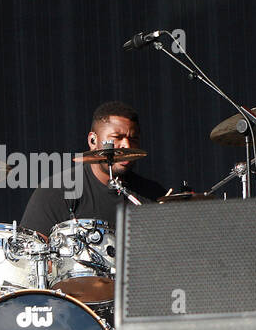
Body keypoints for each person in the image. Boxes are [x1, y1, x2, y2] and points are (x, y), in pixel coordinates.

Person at [21, 101, 168, 237]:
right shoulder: (57, 191)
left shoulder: (153, 194)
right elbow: (32, 253)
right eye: (117, 137)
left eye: (133, 139)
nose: (127, 145)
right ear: (93, 141)